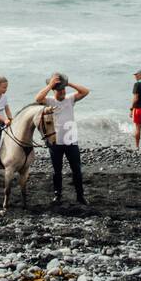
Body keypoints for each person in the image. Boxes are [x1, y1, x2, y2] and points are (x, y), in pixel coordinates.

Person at [35, 72, 88, 204]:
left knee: (76, 170)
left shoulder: (70, 99)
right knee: (57, 171)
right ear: (54, 91)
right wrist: (50, 85)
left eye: (63, 89)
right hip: (55, 141)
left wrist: (67, 83)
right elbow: (38, 99)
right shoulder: (49, 101)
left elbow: (85, 91)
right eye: (59, 90)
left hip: (71, 140)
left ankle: (80, 196)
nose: (62, 92)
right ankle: (57, 195)